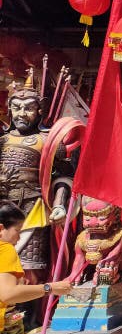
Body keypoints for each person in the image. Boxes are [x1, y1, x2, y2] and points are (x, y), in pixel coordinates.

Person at [0, 72, 73, 285]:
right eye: (17, 107)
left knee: (29, 269)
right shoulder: (2, 140)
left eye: (29, 108)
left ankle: (29, 318)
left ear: (39, 110)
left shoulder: (48, 140)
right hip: (3, 207)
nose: (22, 113)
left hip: (31, 210)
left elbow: (64, 175)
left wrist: (59, 204)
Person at [0, 201, 72, 332]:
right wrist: (51, 288)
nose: (19, 237)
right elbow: (8, 294)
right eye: (17, 231)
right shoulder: (5, 249)